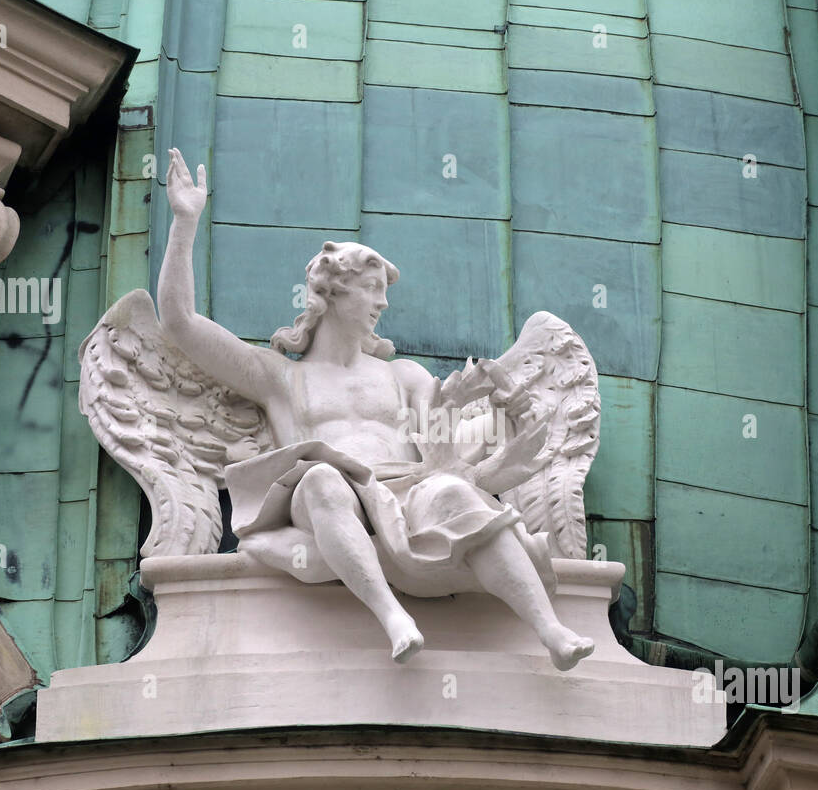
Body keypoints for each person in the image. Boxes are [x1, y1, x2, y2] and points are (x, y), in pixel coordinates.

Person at [156, 149, 594, 670]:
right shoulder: (280, 377)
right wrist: (185, 221)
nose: (382, 303)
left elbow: (451, 444)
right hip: (329, 493)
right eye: (372, 289)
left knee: (454, 491)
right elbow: (180, 323)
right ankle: (392, 617)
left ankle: (551, 631)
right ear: (333, 293)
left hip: (406, 488)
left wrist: (509, 412)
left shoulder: (403, 376)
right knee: (321, 479)